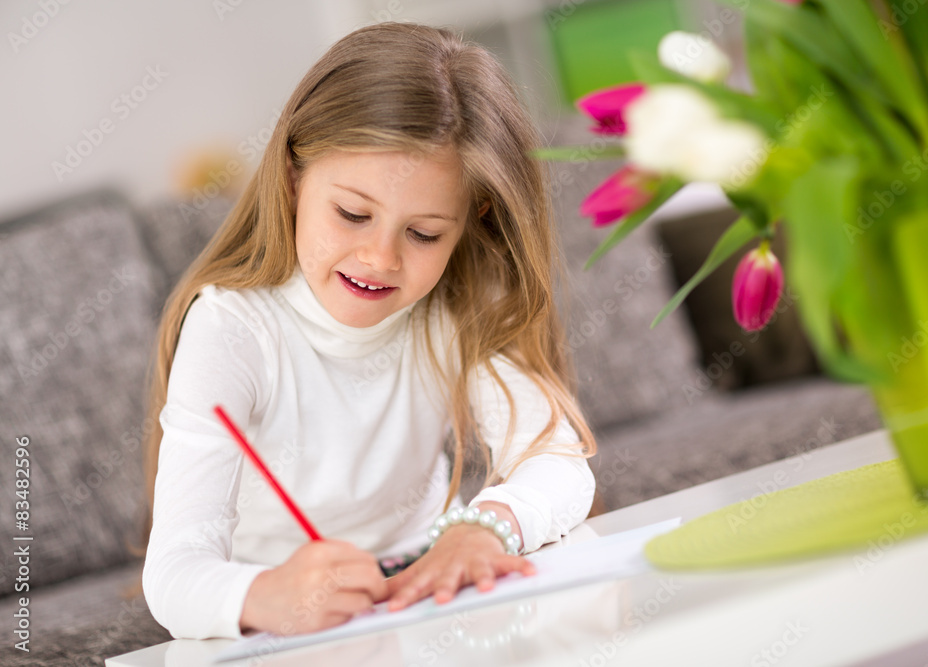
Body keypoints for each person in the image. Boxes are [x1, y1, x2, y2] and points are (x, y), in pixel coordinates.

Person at [140, 21, 598, 640]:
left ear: (472, 219)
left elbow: (561, 464)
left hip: (434, 602)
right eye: (353, 214)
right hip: (292, 625)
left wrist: (486, 524)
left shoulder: (458, 305)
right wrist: (265, 595)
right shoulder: (232, 329)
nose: (381, 259)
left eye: (425, 233)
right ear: (293, 177)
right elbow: (173, 575)